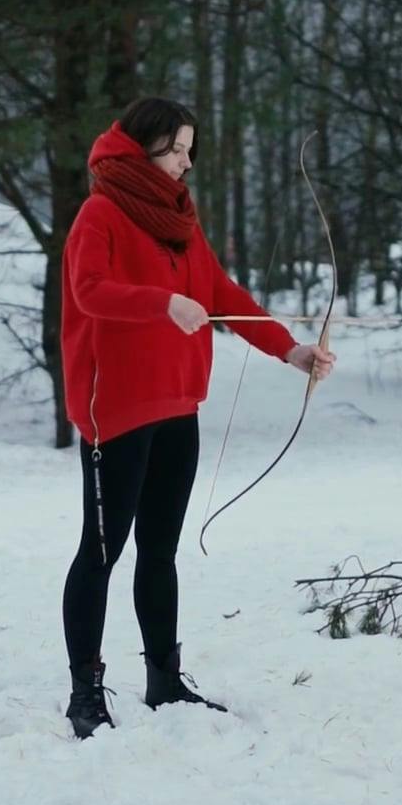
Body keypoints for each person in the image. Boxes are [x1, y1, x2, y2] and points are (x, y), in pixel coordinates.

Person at [59, 96, 336, 739]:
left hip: (178, 407)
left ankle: (163, 681)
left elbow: (221, 295)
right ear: (142, 149)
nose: (187, 162)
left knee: (160, 552)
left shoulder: (180, 218)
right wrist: (163, 304)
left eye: (190, 149)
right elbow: (89, 291)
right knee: (100, 552)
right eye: (177, 149)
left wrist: (290, 350)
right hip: (117, 412)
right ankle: (85, 692)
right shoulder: (99, 213)